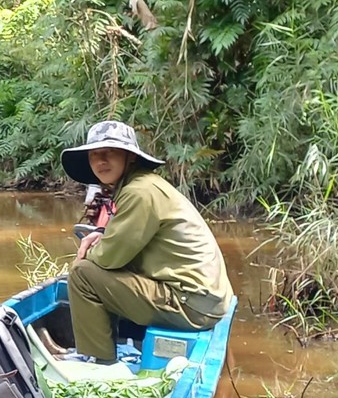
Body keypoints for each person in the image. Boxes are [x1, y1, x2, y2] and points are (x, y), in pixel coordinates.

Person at [59, 120, 233, 364]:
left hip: (191, 305)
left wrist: (92, 250)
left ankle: (100, 362)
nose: (101, 160)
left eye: (110, 152)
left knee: (82, 274)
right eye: (95, 155)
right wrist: (104, 236)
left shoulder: (139, 192)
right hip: (206, 300)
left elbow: (108, 259)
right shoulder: (145, 185)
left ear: (129, 157)